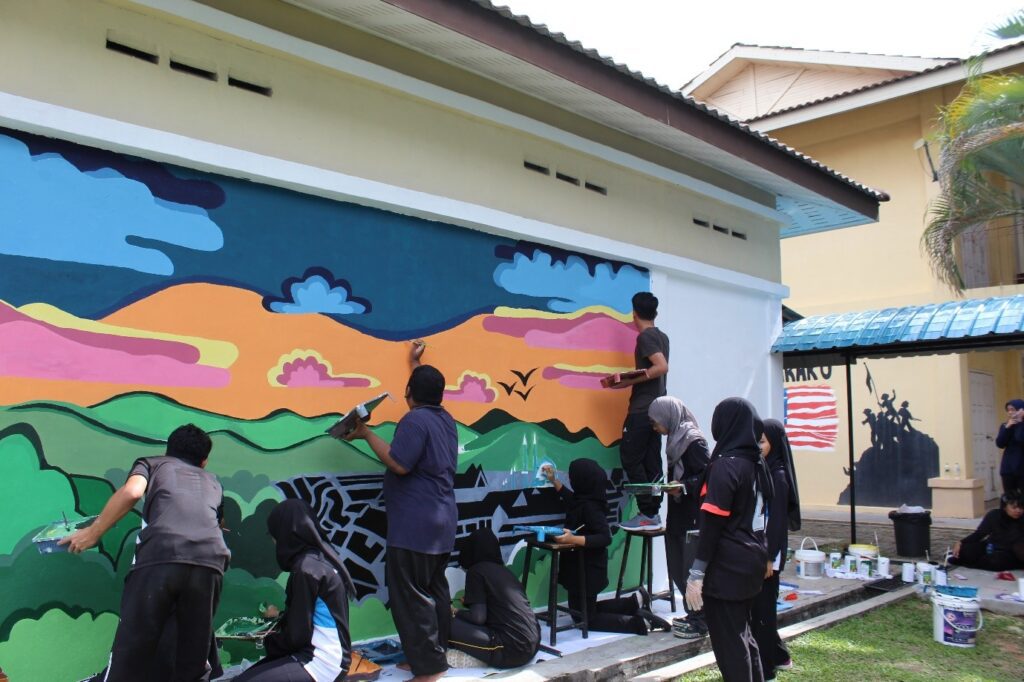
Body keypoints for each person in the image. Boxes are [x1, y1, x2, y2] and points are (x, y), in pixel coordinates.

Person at [61, 424, 229, 682]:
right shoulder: (213, 481)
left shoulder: (153, 464)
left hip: (161, 556)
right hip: (211, 562)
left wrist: (93, 532)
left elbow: (132, 491)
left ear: (168, 450)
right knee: (192, 657)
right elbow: (216, 524)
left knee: (131, 650)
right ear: (204, 461)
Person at [343, 342, 457, 682]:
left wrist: (364, 433)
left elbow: (399, 463)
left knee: (411, 599)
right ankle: (431, 658)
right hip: (441, 522)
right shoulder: (444, 419)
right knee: (434, 591)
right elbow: (423, 391)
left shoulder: (413, 421)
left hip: (414, 525)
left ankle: (429, 671)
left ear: (409, 393)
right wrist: (416, 363)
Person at [685, 398, 770, 682]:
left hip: (727, 566)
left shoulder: (725, 466)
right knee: (743, 634)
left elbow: (712, 524)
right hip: (752, 561)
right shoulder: (756, 464)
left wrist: (696, 574)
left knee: (730, 644)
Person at [544, 459, 670, 635]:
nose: (570, 481)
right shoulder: (584, 500)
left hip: (588, 571)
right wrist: (554, 481)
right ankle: (633, 602)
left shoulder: (590, 508)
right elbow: (570, 498)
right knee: (582, 611)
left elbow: (605, 537)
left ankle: (639, 623)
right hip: (580, 570)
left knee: (584, 618)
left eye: (572, 478)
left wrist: (573, 538)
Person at [236, 500, 354, 682]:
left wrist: (263, 637)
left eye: (274, 535)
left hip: (322, 662)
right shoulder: (318, 559)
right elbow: (307, 619)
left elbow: (297, 637)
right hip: (329, 655)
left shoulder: (306, 569)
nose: (274, 541)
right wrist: (278, 619)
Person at [647, 396, 710, 640]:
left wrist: (682, 486)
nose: (655, 428)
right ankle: (692, 613)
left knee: (688, 567)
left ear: (668, 416)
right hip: (677, 513)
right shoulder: (674, 440)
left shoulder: (694, 441)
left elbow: (706, 477)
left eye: (656, 422)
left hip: (693, 515)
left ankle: (701, 619)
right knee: (675, 566)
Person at [609, 292, 670, 531]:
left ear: (634, 313)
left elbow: (661, 366)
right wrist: (626, 381)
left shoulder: (645, 337)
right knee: (651, 460)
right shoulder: (662, 336)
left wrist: (635, 377)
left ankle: (646, 511)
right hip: (657, 409)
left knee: (631, 456)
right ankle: (652, 513)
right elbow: (652, 373)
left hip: (642, 409)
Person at [751, 419, 800, 680]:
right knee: (761, 609)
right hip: (762, 551)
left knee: (763, 611)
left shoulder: (778, 476)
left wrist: (769, 558)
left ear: (775, 443)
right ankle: (779, 656)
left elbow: (777, 522)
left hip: (770, 555)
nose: (758, 446)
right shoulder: (765, 470)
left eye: (762, 441)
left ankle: (767, 666)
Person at [448, 528, 540, 668]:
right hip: (532, 645)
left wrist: (454, 611)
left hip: (511, 651)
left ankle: (437, 659)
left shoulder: (476, 571)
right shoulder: (506, 572)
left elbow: (478, 618)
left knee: (445, 622)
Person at [949, 490, 1024, 571]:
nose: (1018, 511)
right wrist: (961, 542)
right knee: (966, 551)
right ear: (1005, 507)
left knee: (995, 561)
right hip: (991, 546)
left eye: (1021, 508)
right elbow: (979, 534)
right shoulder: (994, 515)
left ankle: (975, 563)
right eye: (1014, 507)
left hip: (1011, 553)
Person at [997, 399, 1024, 494]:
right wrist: (1007, 427)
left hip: (1021, 467)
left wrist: (1020, 422)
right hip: (1008, 468)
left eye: (1013, 409)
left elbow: (1020, 439)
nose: (1010, 412)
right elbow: (1000, 443)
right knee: (1009, 498)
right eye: (1008, 410)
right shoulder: (1005, 426)